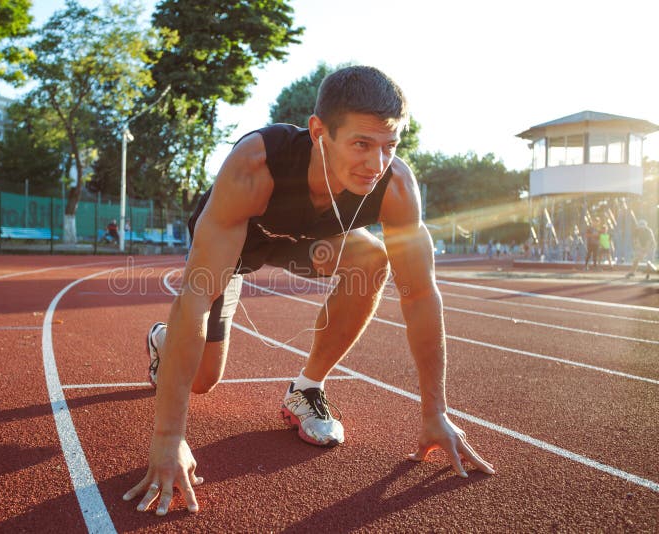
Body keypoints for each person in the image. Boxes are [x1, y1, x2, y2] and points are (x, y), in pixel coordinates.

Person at [123, 66, 495, 516]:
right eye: (361, 144)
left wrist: (434, 410)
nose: (377, 164)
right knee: (202, 380)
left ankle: (306, 389)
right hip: (244, 240)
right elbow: (196, 297)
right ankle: (163, 340)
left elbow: (419, 295)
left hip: (310, 242)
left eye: (389, 146)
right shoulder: (256, 167)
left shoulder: (395, 186)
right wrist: (169, 439)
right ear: (320, 131)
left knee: (373, 258)